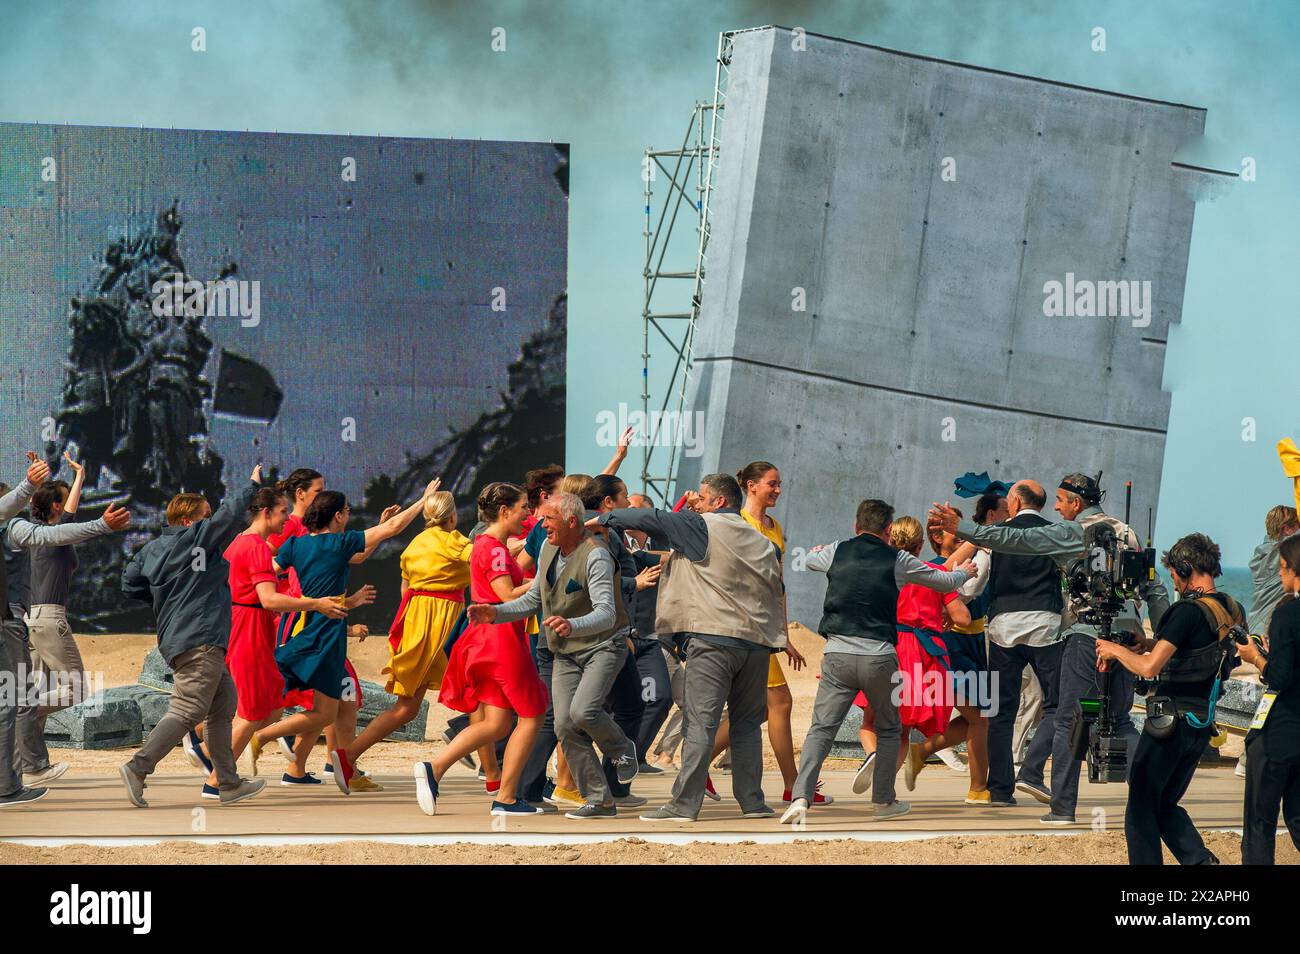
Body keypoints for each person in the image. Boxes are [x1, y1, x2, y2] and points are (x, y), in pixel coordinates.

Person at [929, 471, 1170, 825]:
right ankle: (1155, 802)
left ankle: (1061, 809)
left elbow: (1012, 540)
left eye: (1060, 501)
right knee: (1119, 721)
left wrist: (963, 529)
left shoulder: (1073, 532)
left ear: (1076, 502)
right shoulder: (1128, 532)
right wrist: (1161, 642)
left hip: (1086, 638)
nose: (1056, 509)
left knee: (1069, 720)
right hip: (1129, 639)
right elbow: (1156, 589)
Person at [595, 473, 785, 823]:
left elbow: (647, 518)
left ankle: (684, 805)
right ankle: (753, 802)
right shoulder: (763, 542)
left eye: (703, 497)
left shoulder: (702, 526)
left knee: (700, 723)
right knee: (745, 725)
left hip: (713, 639)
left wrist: (602, 518)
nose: (697, 502)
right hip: (757, 645)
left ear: (720, 502)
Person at [781, 499, 973, 825]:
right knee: (890, 728)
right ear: (888, 531)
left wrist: (819, 551)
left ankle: (800, 797)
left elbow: (812, 560)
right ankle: (883, 801)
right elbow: (941, 581)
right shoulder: (897, 560)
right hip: (880, 656)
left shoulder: (838, 550)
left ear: (856, 526)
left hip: (837, 654)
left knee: (821, 729)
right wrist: (961, 574)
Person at [258, 479, 438, 794]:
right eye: (347, 511)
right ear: (338, 516)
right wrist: (423, 501)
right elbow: (395, 528)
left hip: (306, 631)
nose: (350, 515)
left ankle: (328, 764)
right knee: (323, 705)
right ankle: (263, 741)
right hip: (324, 637)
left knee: (326, 704)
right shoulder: (339, 543)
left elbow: (268, 569)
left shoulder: (298, 544)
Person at [472, 491, 637, 818]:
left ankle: (621, 748)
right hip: (565, 652)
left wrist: (571, 624)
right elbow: (535, 600)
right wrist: (497, 613)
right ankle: (600, 799)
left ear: (572, 521)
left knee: (584, 713)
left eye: (548, 519)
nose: (541, 525)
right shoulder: (548, 548)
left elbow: (606, 612)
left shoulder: (596, 555)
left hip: (603, 646)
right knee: (562, 724)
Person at [119, 466, 265, 808]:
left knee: (222, 706)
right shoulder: (196, 538)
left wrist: (165, 596)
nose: (210, 520)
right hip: (200, 637)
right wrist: (252, 483)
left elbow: (129, 583)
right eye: (205, 515)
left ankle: (227, 783)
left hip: (185, 637)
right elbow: (230, 516)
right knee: (188, 709)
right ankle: (137, 767)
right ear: (188, 521)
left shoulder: (151, 549)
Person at [1094, 533, 1239, 865]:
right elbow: (1198, 653)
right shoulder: (1231, 608)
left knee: (1141, 810)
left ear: (1186, 568)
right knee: (1164, 805)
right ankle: (1200, 862)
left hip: (1168, 724)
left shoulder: (1186, 611)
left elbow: (1149, 668)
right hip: (1200, 724)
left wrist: (1114, 650)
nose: (1173, 581)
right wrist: (1147, 642)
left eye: (1174, 573)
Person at [0, 458, 131, 808]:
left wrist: (79, 477)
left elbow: (67, 519)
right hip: (47, 619)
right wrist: (102, 524)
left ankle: (29, 765)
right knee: (73, 690)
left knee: (26, 692)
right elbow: (66, 527)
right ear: (52, 506)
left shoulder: (37, 533)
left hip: (31, 621)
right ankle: (27, 733)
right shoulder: (38, 536)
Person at [207, 487, 353, 796]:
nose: (288, 517)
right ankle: (218, 781)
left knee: (268, 708)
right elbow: (269, 600)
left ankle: (220, 759)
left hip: (240, 623)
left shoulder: (237, 544)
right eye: (283, 511)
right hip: (250, 627)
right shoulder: (257, 547)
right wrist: (315, 604)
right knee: (252, 712)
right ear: (266, 513)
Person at [413, 482, 547, 816]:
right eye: (521, 509)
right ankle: (505, 796)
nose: (526, 515)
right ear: (504, 512)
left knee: (498, 724)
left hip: (487, 640)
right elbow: (507, 596)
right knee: (533, 713)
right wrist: (545, 581)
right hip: (500, 641)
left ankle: (435, 769)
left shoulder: (486, 544)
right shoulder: (496, 550)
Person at [335, 490, 471, 774]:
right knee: (484, 695)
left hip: (416, 624)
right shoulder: (455, 541)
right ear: (453, 516)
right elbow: (486, 561)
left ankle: (348, 756)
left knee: (406, 708)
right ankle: (494, 775)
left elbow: (404, 589)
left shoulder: (414, 545)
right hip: (443, 627)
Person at [976, 480, 1064, 809]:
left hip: (1004, 629)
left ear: (1013, 501)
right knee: (1057, 705)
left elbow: (972, 588)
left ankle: (1000, 791)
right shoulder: (1055, 534)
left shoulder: (997, 536)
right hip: (1046, 626)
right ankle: (1031, 770)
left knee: (1000, 713)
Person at [1238, 532, 1300, 864]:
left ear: (1294, 569)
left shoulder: (1288, 614)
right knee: (1297, 818)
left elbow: (1280, 676)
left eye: (1283, 567)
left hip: (1279, 734)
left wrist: (1257, 657)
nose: (1279, 574)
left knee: (1259, 824)